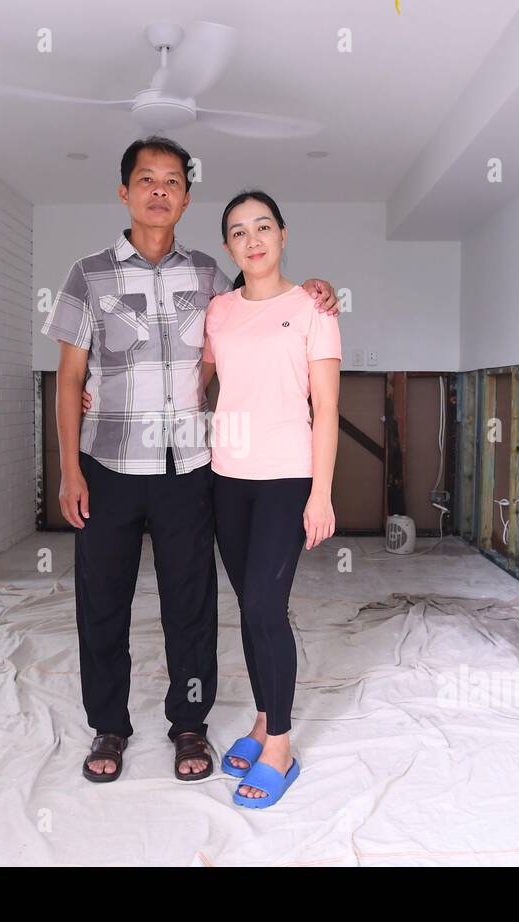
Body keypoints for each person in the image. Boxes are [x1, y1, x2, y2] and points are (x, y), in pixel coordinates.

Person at [42, 136, 338, 783]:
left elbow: (265, 301)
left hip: (190, 468)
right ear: (124, 192)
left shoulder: (208, 273)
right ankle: (109, 728)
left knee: (191, 604)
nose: (158, 191)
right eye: (145, 180)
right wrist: (68, 469)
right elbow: (69, 379)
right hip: (109, 466)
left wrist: (318, 290)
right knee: (103, 604)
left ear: (186, 196)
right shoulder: (87, 274)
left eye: (172, 181)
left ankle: (189, 725)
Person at [203, 191, 340, 808]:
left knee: (265, 606)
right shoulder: (218, 310)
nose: (252, 238)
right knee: (247, 607)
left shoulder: (314, 307)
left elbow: (328, 408)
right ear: (229, 246)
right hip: (227, 478)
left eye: (263, 226)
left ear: (282, 234)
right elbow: (193, 381)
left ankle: (280, 748)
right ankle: (263, 719)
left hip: (288, 478)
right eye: (238, 231)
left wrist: (322, 494)